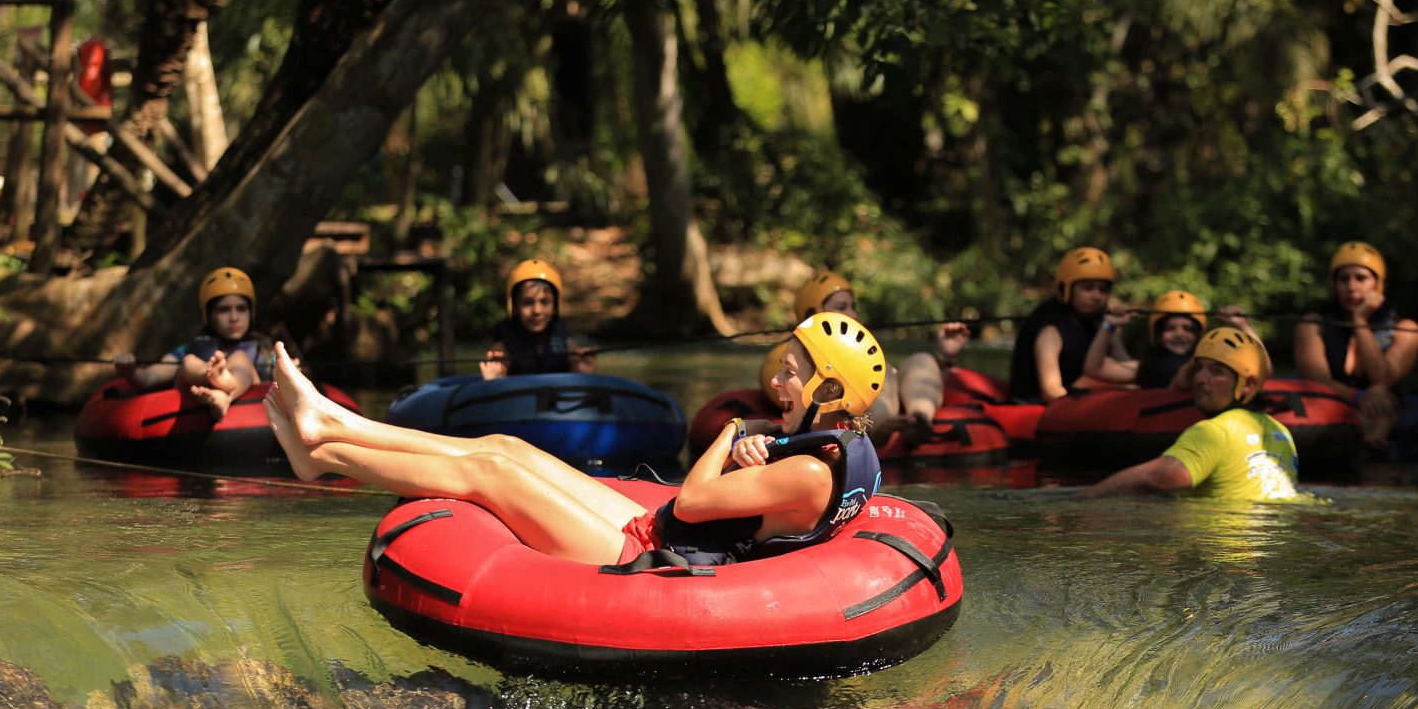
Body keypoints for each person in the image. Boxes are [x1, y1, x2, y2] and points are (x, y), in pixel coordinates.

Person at [266, 313, 887, 567]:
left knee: (490, 475)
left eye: (791, 372)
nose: (776, 380)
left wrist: (732, 431)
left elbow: (695, 499)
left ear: (829, 393)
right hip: (665, 531)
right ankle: (332, 424)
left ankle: (326, 459)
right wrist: (758, 447)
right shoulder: (826, 449)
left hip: (654, 565)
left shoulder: (810, 471)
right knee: (506, 448)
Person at [1083, 328, 1300, 500]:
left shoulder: (1214, 431)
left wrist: (1084, 499)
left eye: (1216, 371)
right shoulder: (1280, 430)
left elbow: (1157, 478)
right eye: (1199, 368)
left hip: (1226, 551)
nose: (1200, 379)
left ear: (1247, 384)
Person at [789, 269, 969, 439]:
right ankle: (881, 424)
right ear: (812, 313)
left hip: (892, 400)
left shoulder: (861, 351)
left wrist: (945, 356)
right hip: (862, 411)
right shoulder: (792, 356)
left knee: (922, 359)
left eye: (853, 306)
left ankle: (920, 417)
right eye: (842, 307)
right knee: (882, 372)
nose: (853, 314)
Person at [1293, 243, 1418, 454]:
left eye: (1361, 278)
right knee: (1376, 396)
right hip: (1329, 405)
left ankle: (1374, 441)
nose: (1352, 287)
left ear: (1378, 285)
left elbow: (1384, 377)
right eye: (1344, 279)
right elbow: (1315, 379)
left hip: (1379, 408)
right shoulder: (1313, 325)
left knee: (1382, 394)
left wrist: (1359, 320)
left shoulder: (1406, 329)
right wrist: (1358, 396)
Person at [115, 268, 263, 418]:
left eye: (241, 309)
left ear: (251, 312)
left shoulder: (266, 350)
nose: (234, 317)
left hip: (250, 409)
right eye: (223, 310)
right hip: (196, 402)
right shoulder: (187, 350)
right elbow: (147, 378)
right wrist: (130, 370)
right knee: (188, 362)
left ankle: (225, 389)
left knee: (241, 358)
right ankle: (213, 376)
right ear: (209, 315)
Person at [1081, 290, 1258, 390]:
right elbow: (1094, 368)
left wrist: (1243, 326)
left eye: (1188, 329)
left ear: (1199, 335)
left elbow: (1260, 368)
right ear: (1157, 334)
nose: (1179, 334)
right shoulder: (1145, 367)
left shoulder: (1212, 366)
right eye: (1170, 328)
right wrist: (1108, 326)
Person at [1009, 246, 1121, 402]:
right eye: (1088, 288)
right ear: (1066, 288)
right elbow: (1051, 391)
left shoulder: (1103, 325)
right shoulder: (1050, 330)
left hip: (1078, 396)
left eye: (1102, 290)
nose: (1097, 296)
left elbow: (1124, 365)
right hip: (1041, 404)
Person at [481, 259, 596, 379]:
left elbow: (579, 392)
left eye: (545, 302)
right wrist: (493, 380)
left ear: (555, 307)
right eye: (528, 303)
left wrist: (583, 373)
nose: (537, 311)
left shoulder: (569, 347)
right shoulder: (502, 351)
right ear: (514, 306)